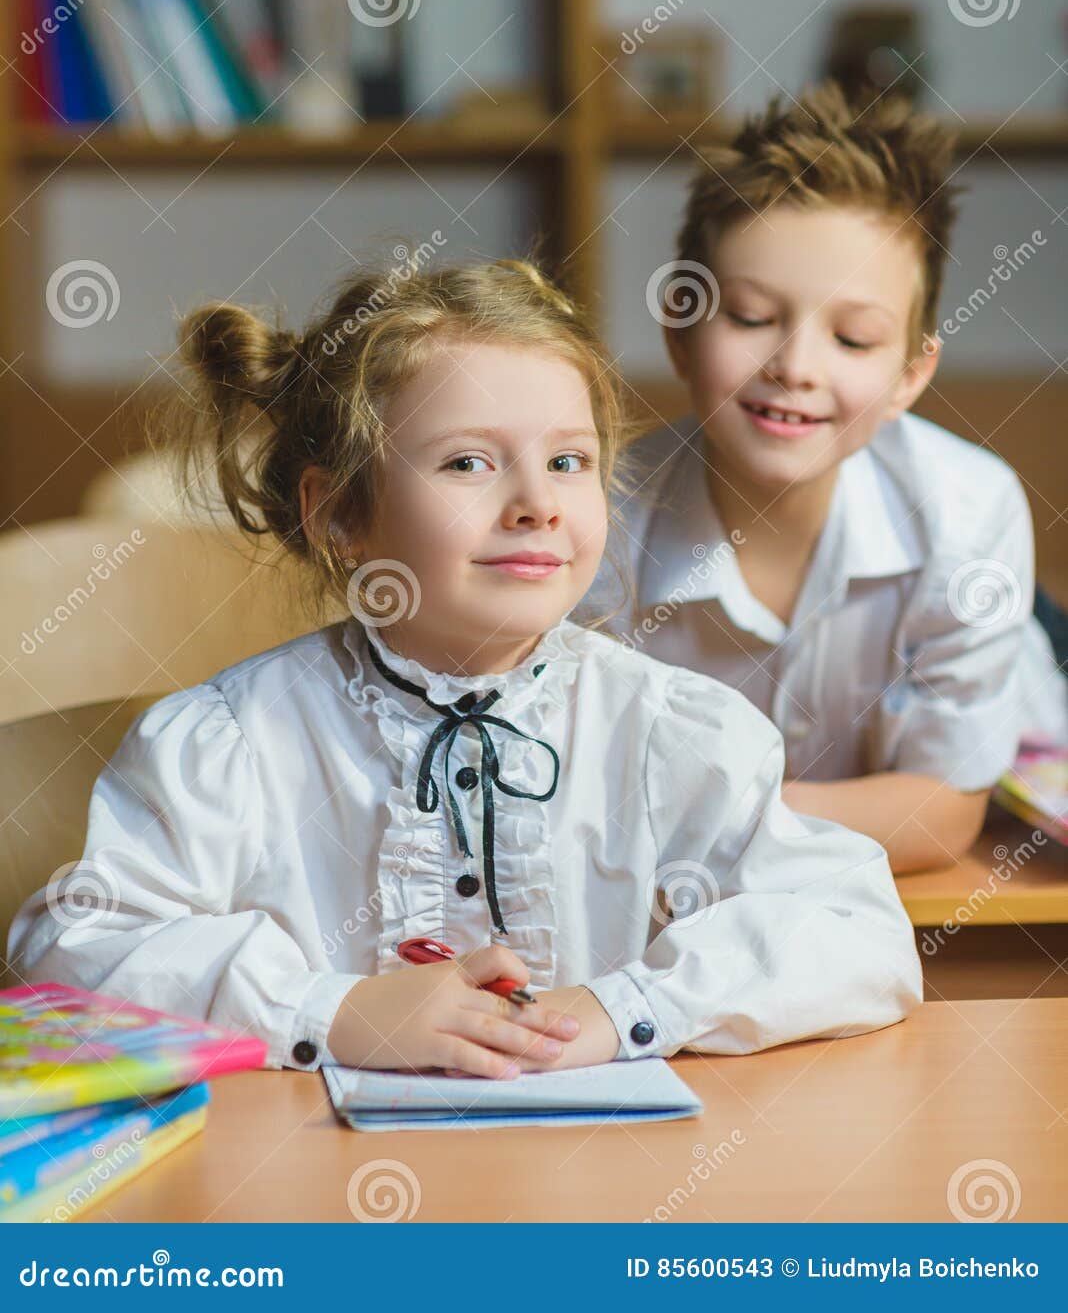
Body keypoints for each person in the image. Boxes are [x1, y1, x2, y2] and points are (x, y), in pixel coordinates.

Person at [7, 258, 921, 1076]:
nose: (536, 505)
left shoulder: (675, 732)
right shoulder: (231, 745)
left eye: (569, 461)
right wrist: (338, 1012)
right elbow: (68, 952)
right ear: (338, 514)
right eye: (469, 462)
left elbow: (861, 935)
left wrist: (627, 1008)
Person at [592, 82, 1066, 874]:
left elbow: (942, 812)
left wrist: (710, 812)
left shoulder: (968, 512)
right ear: (681, 333)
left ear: (913, 375)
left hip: (1016, 658)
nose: (796, 367)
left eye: (853, 338)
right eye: (749, 318)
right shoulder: (599, 517)